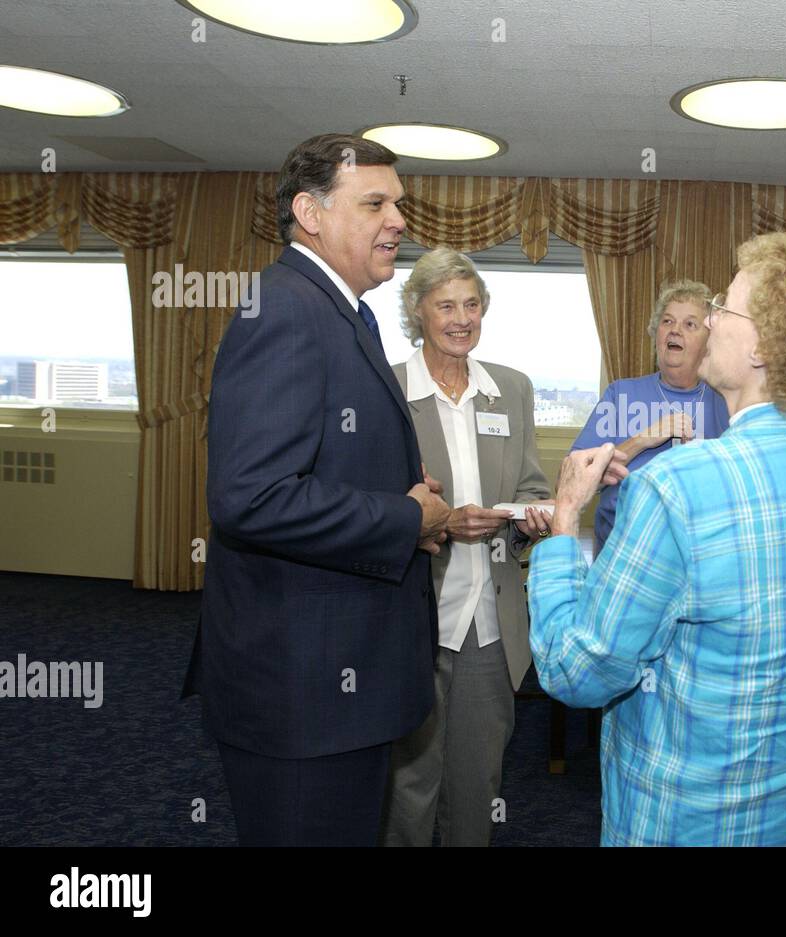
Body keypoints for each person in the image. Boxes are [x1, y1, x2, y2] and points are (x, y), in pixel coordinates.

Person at [528, 233, 786, 846]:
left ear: (763, 348)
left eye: (725, 306)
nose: (711, 318)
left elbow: (578, 671)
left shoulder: (678, 488)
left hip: (693, 823)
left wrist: (564, 524)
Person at [183, 133, 451, 846]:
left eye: (398, 203)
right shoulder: (286, 308)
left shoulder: (339, 311)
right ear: (309, 211)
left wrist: (406, 506)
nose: (398, 219)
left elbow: (319, 464)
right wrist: (401, 514)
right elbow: (251, 495)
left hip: (336, 680)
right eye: (375, 203)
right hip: (302, 693)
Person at [380, 247, 552, 847]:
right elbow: (371, 504)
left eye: (471, 304)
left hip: (491, 618)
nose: (461, 318)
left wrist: (530, 517)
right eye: (445, 304)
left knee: (479, 780)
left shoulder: (512, 388)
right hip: (415, 614)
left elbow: (531, 483)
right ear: (417, 311)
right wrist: (441, 521)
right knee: (409, 781)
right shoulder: (388, 389)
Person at [570, 280, 729, 554]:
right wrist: (643, 439)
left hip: (702, 559)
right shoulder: (621, 394)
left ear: (709, 340)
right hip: (621, 556)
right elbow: (574, 480)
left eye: (690, 324)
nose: (675, 330)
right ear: (656, 333)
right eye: (667, 321)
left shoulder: (726, 401)